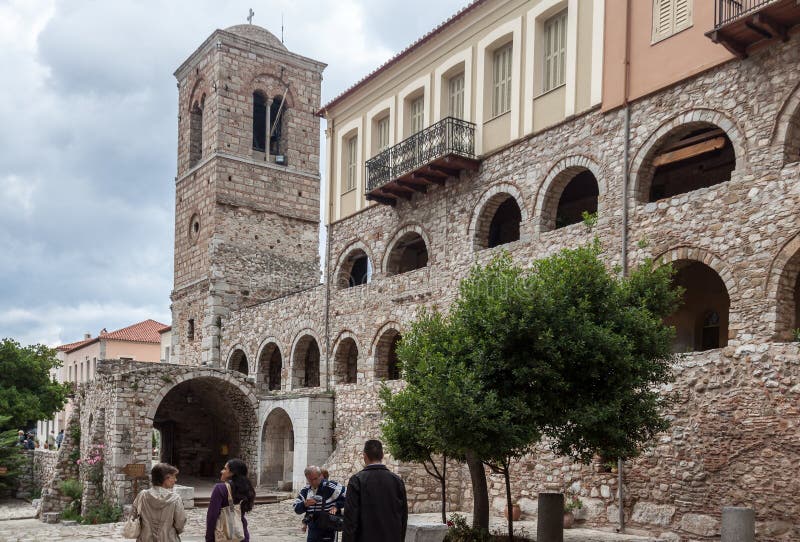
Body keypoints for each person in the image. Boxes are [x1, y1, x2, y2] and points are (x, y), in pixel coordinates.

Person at [342, 440, 408, 542]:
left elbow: (350, 519)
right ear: (382, 455)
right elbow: (403, 516)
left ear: (365, 455)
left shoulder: (357, 480)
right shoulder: (397, 481)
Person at [132, 462, 186, 542]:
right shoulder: (175, 499)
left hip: (145, 538)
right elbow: (180, 524)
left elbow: (133, 517)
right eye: (173, 477)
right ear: (166, 478)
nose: (175, 480)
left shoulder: (142, 495)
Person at [205, 458, 255, 542]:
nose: (221, 471)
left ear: (232, 473)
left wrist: (209, 538)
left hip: (224, 536)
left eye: (225, 469)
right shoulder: (246, 489)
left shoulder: (220, 488)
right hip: (240, 534)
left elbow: (212, 516)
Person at [293, 465, 346, 542]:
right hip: (313, 531)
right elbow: (296, 509)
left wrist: (336, 506)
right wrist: (305, 504)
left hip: (329, 530)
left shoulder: (331, 487)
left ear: (321, 476)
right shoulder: (305, 490)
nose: (313, 482)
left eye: (315, 479)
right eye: (310, 480)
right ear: (307, 478)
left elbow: (349, 496)